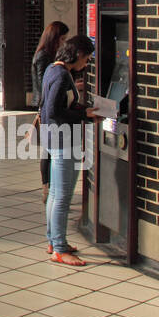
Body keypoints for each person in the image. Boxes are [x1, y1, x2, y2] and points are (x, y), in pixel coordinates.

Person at [40, 34, 99, 266]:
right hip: (64, 139)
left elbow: (56, 106)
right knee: (62, 196)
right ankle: (60, 248)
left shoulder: (53, 70)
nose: (87, 64)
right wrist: (84, 114)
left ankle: (53, 241)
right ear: (78, 55)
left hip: (56, 138)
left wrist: (83, 110)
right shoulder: (62, 75)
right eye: (87, 58)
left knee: (55, 194)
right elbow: (55, 110)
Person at [31, 20, 70, 204]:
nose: (64, 42)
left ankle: (48, 186)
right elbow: (42, 84)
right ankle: (46, 186)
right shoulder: (43, 57)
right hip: (45, 107)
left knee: (49, 148)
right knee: (47, 149)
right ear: (55, 38)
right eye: (62, 38)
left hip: (46, 105)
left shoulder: (49, 55)